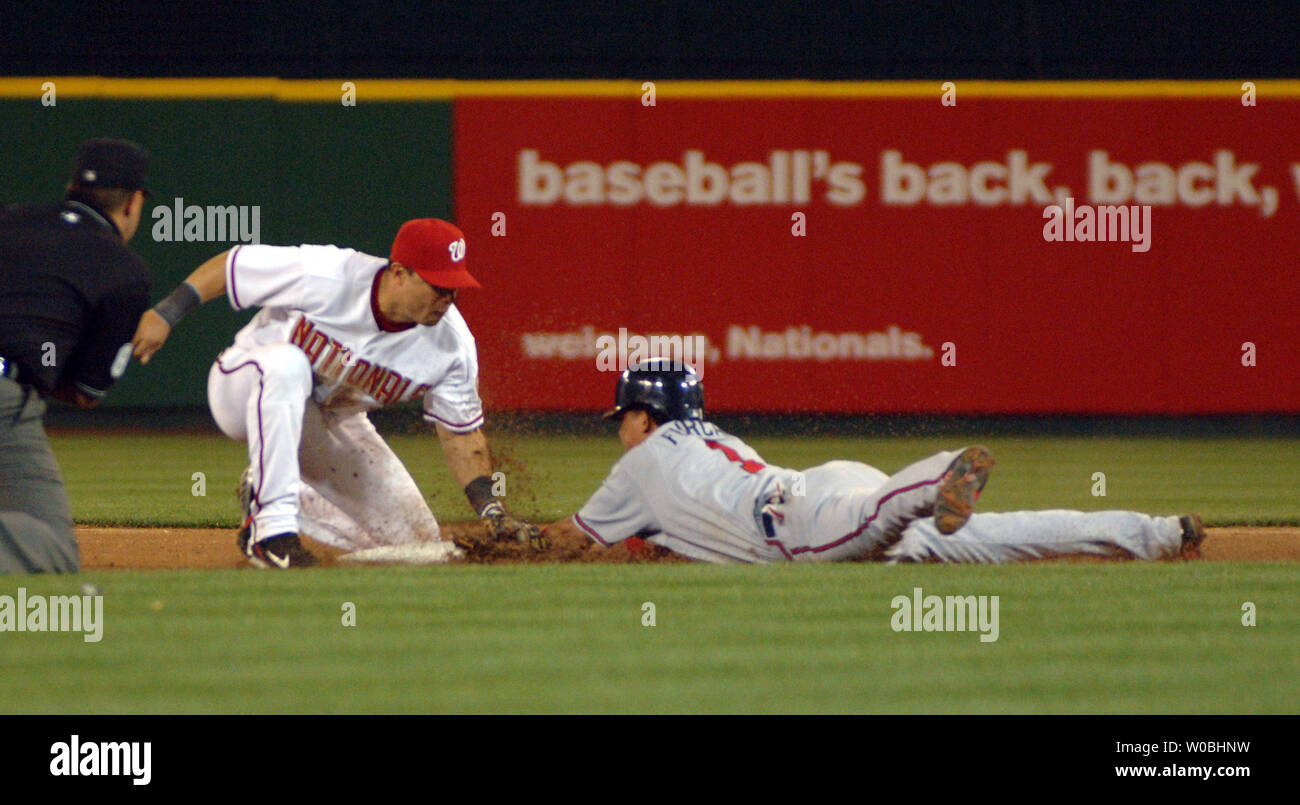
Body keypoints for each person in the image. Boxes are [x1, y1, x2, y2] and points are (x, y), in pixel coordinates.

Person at [131, 218, 543, 568]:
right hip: (244, 386)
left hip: (327, 420)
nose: (448, 298)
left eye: (455, 288)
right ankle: (271, 535)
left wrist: (492, 511)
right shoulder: (328, 273)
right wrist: (167, 313)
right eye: (438, 286)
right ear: (399, 273)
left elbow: (461, 434)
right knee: (289, 365)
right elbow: (233, 267)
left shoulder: (452, 345)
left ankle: (273, 491)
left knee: (416, 540)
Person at [540, 360, 1206, 564]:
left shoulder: (639, 464)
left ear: (644, 416)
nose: (618, 430)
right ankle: (1159, 531)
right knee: (1008, 532)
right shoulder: (715, 439)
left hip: (805, 523)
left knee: (887, 513)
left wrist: (496, 544)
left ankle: (945, 469)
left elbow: (568, 542)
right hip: (818, 485)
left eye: (621, 417)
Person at [0, 138, 153, 574]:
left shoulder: (8, 217)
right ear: (133, 203)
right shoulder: (124, 271)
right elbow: (85, 393)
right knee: (52, 550)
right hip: (6, 391)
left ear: (71, 186)